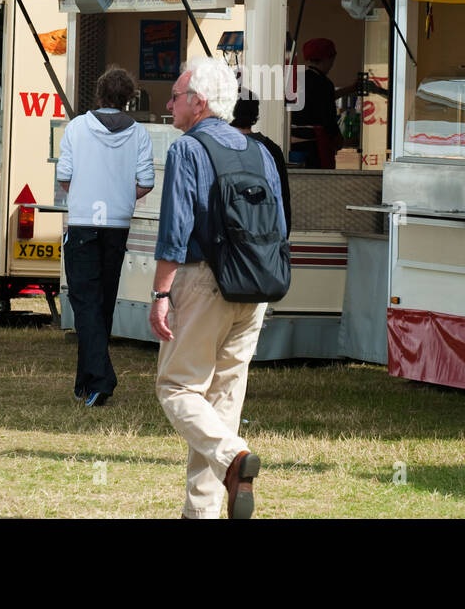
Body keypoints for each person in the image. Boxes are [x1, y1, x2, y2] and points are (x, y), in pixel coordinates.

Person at [149, 57, 287, 519]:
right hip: (254, 287)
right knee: (221, 404)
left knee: (178, 389)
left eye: (175, 96)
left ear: (199, 102)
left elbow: (174, 230)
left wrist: (160, 295)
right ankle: (201, 510)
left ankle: (234, 460)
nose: (169, 105)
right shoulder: (261, 152)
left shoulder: (187, 150)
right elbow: (279, 228)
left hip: (203, 280)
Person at [55, 67, 154, 407]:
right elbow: (146, 181)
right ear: (129, 98)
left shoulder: (78, 127)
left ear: (97, 94)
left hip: (84, 220)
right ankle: (86, 380)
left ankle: (100, 378)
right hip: (118, 222)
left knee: (84, 300)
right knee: (103, 301)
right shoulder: (139, 133)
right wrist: (122, 196)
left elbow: (64, 176)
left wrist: (85, 192)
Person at [231, 92, 292, 234]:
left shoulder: (219, 147)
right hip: (265, 235)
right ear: (256, 113)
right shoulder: (271, 148)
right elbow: (283, 197)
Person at [290, 37, 343, 168]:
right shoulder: (324, 83)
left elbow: (311, 101)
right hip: (315, 146)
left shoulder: (295, 78)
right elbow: (328, 118)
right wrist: (338, 139)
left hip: (291, 143)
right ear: (327, 58)